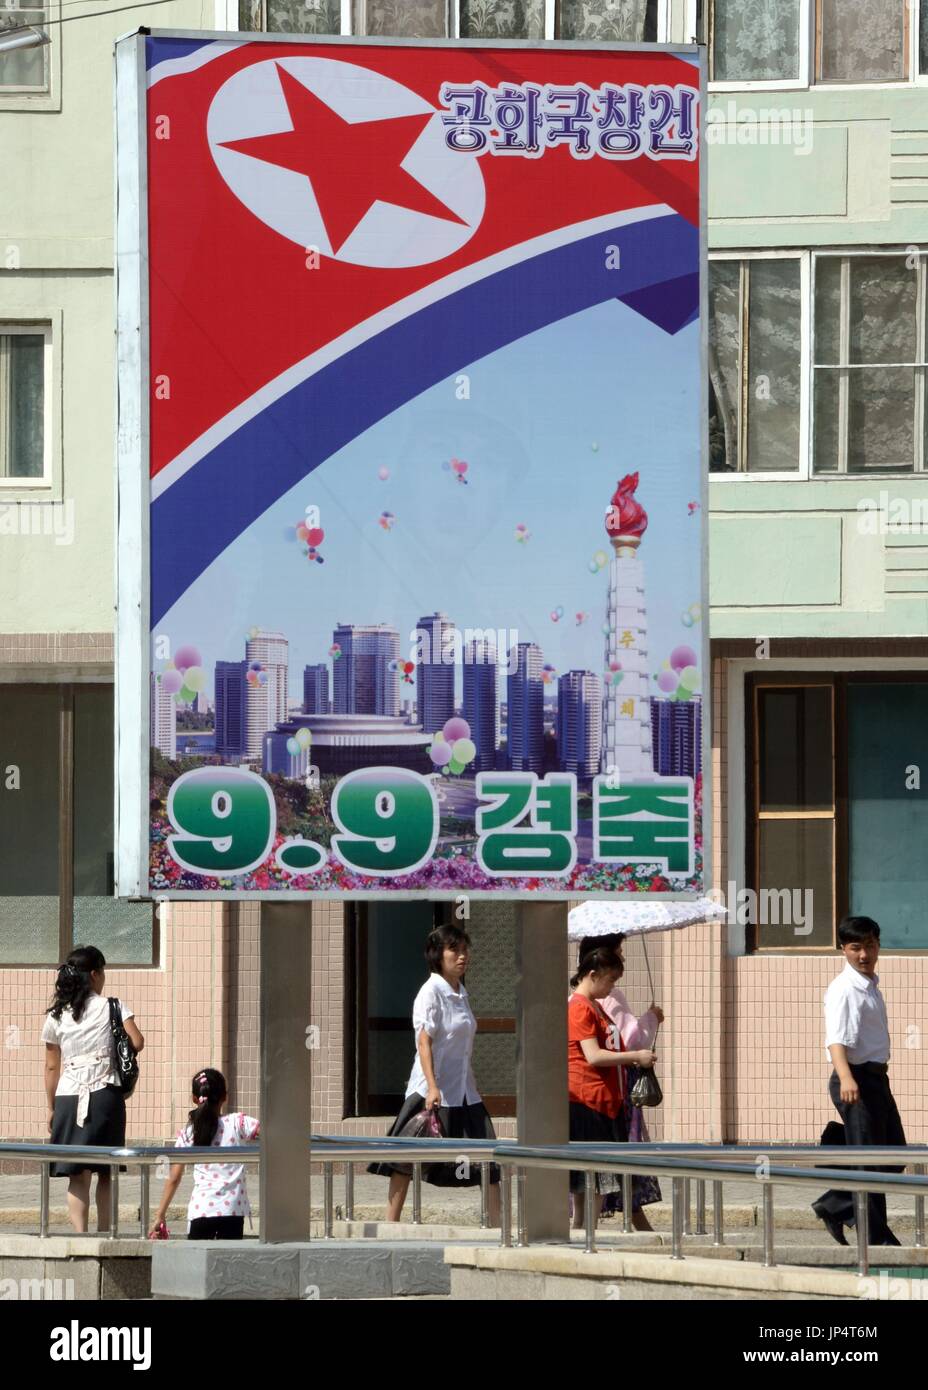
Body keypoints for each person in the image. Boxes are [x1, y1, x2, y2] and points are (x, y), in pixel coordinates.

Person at [368, 924, 500, 1225]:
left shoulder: (461, 993)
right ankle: (391, 1224)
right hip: (431, 1089)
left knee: (487, 1158)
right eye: (455, 950)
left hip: (466, 1091)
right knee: (404, 1160)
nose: (462, 956)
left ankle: (496, 1224)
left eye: (465, 949)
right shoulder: (430, 992)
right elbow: (424, 1041)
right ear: (437, 955)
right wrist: (432, 1086)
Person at [812, 916, 906, 1247]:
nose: (863, 954)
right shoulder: (844, 989)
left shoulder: (869, 985)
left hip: (875, 1077)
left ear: (878, 945)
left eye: (869, 946)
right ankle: (876, 1239)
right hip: (855, 1078)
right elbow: (836, 1040)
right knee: (868, 1160)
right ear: (844, 950)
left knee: (893, 1153)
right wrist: (847, 1077)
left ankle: (836, 1204)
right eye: (856, 948)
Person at [41, 946, 144, 1233]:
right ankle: (105, 1232)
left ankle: (80, 1236)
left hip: (68, 1095)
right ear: (95, 974)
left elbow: (51, 1067)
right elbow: (137, 1041)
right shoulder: (113, 1006)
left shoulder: (56, 1015)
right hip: (104, 1093)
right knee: (106, 1171)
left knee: (77, 1174)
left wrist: (51, 1108)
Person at [575, 932, 665, 1231]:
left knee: (603, 1172)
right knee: (599, 1173)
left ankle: (586, 1231)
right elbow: (595, 1055)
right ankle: (586, 1232)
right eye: (610, 979)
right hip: (592, 1098)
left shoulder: (597, 1004)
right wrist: (637, 1052)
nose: (613, 985)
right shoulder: (582, 1006)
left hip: (606, 1098)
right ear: (594, 972)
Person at [149, 1068, 260, 1239]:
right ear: (225, 1097)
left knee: (197, 1264)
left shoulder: (188, 1133)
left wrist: (160, 1215)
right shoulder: (238, 1123)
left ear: (195, 1099)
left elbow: (174, 1178)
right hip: (232, 1211)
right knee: (228, 1264)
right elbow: (269, 1132)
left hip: (201, 1211)